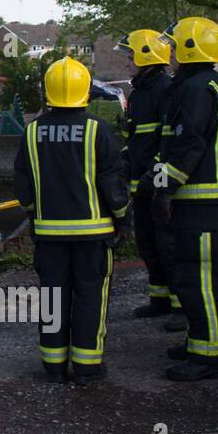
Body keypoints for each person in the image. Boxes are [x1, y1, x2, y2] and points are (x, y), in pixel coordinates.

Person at [14, 56, 129, 385]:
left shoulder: (32, 131)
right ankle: (87, 366)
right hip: (93, 236)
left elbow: (23, 182)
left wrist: (35, 211)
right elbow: (113, 184)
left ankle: (53, 365)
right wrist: (123, 219)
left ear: (48, 92)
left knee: (52, 296)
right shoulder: (98, 131)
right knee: (91, 295)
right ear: (86, 91)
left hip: (49, 236)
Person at [153, 17, 218, 382]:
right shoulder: (208, 84)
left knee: (199, 278)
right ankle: (199, 342)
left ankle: (208, 357)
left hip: (202, 200)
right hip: (205, 199)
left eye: (174, 46)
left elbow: (188, 144)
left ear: (190, 48)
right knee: (194, 275)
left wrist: (161, 186)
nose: (170, 52)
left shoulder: (195, 89)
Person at [115, 29, 183, 328]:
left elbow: (168, 143)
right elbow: (135, 140)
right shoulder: (140, 92)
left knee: (168, 244)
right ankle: (160, 298)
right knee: (148, 242)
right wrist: (125, 163)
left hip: (159, 185)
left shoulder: (164, 90)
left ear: (145, 56)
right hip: (141, 184)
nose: (126, 62)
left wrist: (152, 175)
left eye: (131, 56)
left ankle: (182, 306)